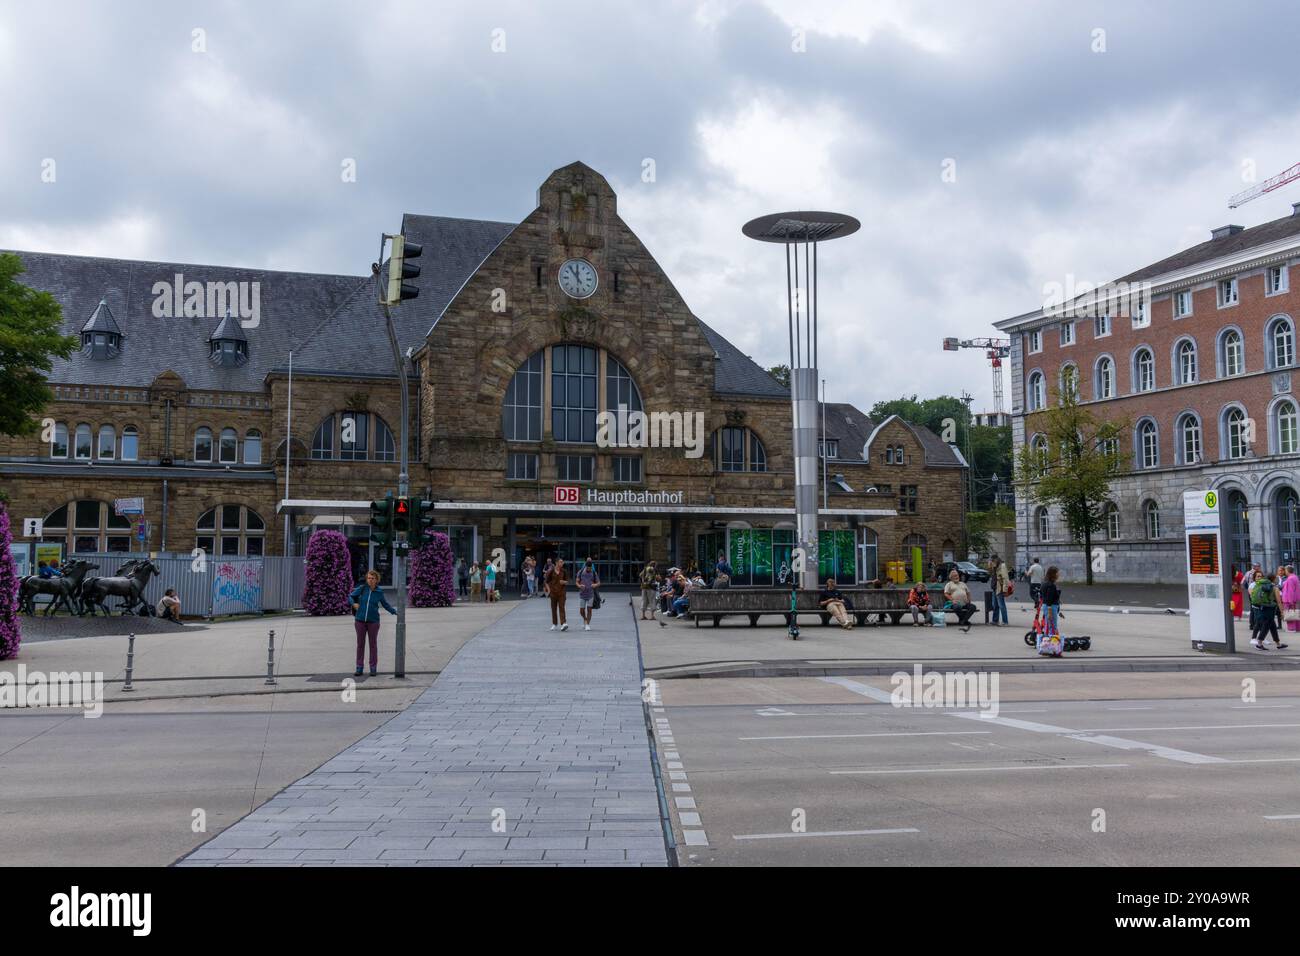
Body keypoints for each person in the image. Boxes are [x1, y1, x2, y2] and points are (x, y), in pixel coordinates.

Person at [350, 569, 397, 676]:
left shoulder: (379, 592)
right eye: (369, 578)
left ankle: (373, 668)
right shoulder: (362, 589)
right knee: (360, 645)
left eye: (372, 578)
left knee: (373, 645)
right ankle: (359, 667)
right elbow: (351, 596)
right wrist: (353, 604)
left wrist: (394, 612)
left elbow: (385, 604)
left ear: (376, 580)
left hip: (374, 622)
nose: (370, 580)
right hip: (360, 621)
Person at [1250, 571, 1287, 650]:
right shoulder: (1274, 588)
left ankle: (1278, 644)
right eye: (1276, 578)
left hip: (1262, 608)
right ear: (1273, 579)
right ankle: (1259, 643)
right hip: (1269, 609)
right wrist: (1282, 612)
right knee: (1266, 626)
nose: (1277, 579)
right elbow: (1279, 602)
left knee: (1272, 626)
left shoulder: (1260, 584)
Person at [576, 558, 600, 630]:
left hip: (590, 594)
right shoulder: (580, 572)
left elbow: (599, 583)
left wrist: (595, 585)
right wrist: (579, 586)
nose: (589, 569)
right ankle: (585, 619)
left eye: (590, 568)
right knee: (581, 611)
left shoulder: (594, 573)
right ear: (585, 566)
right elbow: (577, 582)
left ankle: (587, 624)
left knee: (589, 610)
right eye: (588, 568)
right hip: (582, 594)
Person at [546, 557, 569, 631]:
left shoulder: (564, 571)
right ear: (556, 563)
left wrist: (564, 582)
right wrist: (549, 590)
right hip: (553, 593)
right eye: (561, 562)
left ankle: (563, 623)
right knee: (554, 608)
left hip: (562, 593)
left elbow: (567, 581)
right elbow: (546, 582)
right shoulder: (551, 571)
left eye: (562, 562)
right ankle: (554, 624)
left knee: (562, 607)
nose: (562, 563)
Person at [1041, 566, 1063, 639]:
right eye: (1057, 573)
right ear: (1053, 574)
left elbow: (1045, 596)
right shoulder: (1051, 585)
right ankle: (1052, 644)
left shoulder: (1045, 583)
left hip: (1047, 606)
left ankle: (1048, 642)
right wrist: (1050, 611)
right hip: (1051, 607)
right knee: (1052, 626)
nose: (1058, 574)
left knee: (1049, 625)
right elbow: (1049, 599)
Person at [990, 553, 1010, 626]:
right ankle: (995, 620)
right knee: (994, 605)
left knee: (1001, 605)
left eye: (992, 560)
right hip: (995, 587)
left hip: (1000, 588)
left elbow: (1005, 578)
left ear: (996, 559)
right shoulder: (995, 566)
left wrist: (1004, 590)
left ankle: (1005, 621)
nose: (991, 562)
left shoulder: (1002, 566)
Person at [1282, 565, 1300, 634]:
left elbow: (1290, 591)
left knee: (1289, 614)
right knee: (1295, 613)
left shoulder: (1290, 578)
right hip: (1295, 599)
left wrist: (1290, 601)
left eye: (1285, 570)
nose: (1285, 572)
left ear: (1287, 571)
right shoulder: (1295, 577)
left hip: (1289, 600)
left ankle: (1291, 628)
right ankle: (1297, 627)